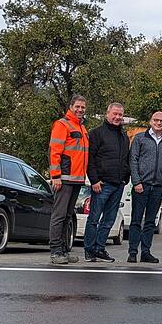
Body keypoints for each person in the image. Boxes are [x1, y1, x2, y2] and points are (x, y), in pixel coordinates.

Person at [84, 102, 130, 263]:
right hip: (101, 184)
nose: (117, 117)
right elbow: (90, 159)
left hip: (118, 184)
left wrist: (126, 178)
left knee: (109, 220)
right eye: (115, 114)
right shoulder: (96, 133)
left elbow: (126, 159)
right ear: (107, 114)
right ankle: (89, 250)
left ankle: (100, 248)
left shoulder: (124, 136)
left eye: (120, 115)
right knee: (94, 218)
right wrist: (94, 180)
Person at [128, 111, 162, 264]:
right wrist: (136, 182)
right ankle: (133, 252)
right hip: (141, 185)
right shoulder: (140, 138)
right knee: (136, 220)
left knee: (150, 222)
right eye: (156, 120)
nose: (159, 123)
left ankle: (146, 252)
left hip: (158, 187)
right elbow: (133, 160)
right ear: (150, 121)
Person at [48, 95, 89, 265]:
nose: (80, 110)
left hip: (77, 179)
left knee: (67, 216)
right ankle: (56, 251)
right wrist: (55, 176)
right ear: (71, 106)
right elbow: (54, 151)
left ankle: (63, 250)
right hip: (64, 178)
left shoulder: (81, 127)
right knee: (59, 215)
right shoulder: (62, 124)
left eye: (83, 107)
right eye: (77, 106)